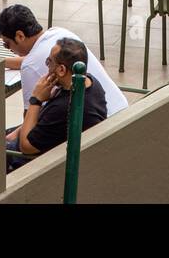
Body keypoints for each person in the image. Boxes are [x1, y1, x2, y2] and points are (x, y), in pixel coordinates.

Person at [0, 4, 127, 140]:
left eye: (6, 44)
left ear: (20, 36)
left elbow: (29, 127)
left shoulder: (29, 66)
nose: (8, 49)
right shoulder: (59, 34)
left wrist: (35, 99)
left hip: (91, 134)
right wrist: (1, 61)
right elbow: (33, 60)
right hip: (117, 112)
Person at [6, 37, 108, 171]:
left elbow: (26, 147)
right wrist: (16, 132)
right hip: (52, 144)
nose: (47, 67)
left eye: (49, 62)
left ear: (61, 70)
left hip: (38, 164)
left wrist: (35, 100)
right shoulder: (89, 82)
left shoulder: (64, 108)